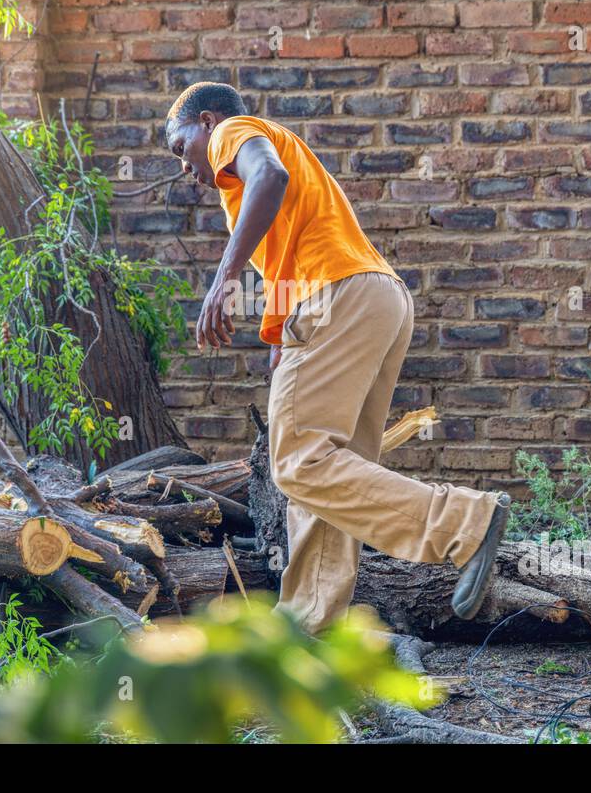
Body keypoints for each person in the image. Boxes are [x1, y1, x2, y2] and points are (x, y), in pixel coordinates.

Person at [163, 81, 511, 634]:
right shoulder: (268, 171)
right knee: (328, 473)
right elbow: (285, 254)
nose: (185, 167)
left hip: (337, 298)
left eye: (181, 147)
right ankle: (309, 625)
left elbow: (269, 179)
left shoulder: (235, 133)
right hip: (378, 299)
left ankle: (465, 522)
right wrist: (278, 342)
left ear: (206, 123)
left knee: (299, 462)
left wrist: (222, 279)